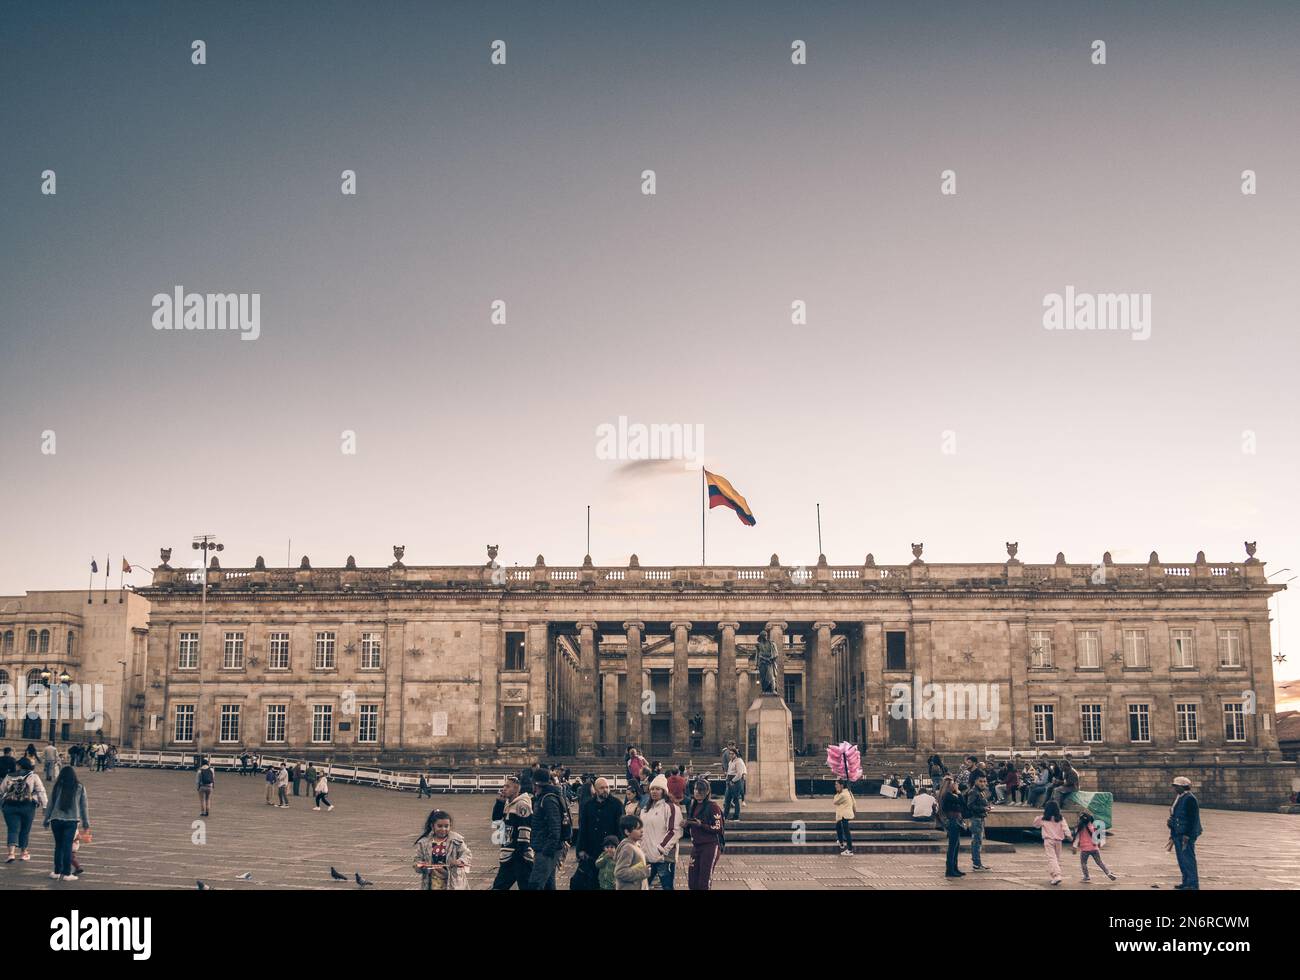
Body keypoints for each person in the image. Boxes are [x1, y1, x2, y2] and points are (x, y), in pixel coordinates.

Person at [43, 765, 89, 881]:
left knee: (58, 846)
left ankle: (57, 872)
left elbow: (50, 804)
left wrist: (46, 819)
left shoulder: (58, 786)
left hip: (56, 820)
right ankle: (67, 873)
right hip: (71, 820)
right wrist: (86, 823)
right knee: (67, 847)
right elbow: (84, 806)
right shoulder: (79, 787)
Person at [576, 777, 623, 888]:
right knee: (592, 882)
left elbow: (620, 829)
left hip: (610, 850)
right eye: (602, 788)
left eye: (607, 787)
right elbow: (583, 829)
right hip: (592, 850)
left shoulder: (616, 804)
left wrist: (619, 849)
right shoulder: (588, 805)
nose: (605, 790)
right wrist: (580, 849)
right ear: (596, 790)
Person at [489, 776, 533, 890]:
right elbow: (496, 820)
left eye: (507, 786)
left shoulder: (521, 805)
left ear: (516, 788)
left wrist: (519, 853)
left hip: (519, 855)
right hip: (508, 853)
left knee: (524, 885)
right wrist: (500, 802)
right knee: (500, 885)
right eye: (504, 786)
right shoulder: (508, 804)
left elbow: (525, 830)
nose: (504, 788)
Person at [640, 774, 682, 890]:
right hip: (647, 855)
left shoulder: (671, 807)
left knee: (667, 887)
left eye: (658, 789)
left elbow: (675, 831)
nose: (654, 791)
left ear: (664, 791)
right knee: (642, 886)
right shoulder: (645, 809)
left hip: (664, 857)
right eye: (652, 789)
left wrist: (660, 849)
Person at [2, 757, 47, 863]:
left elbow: (2, 789)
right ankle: (23, 853)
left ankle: (11, 854)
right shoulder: (33, 776)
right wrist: (45, 805)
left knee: (12, 829)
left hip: (10, 806)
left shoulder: (9, 776)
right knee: (25, 830)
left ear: (20, 765)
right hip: (28, 806)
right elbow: (41, 791)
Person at [413, 809, 471, 890]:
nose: (443, 829)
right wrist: (421, 865)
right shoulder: (424, 843)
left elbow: (466, 854)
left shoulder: (456, 840)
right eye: (439, 826)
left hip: (453, 880)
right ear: (432, 826)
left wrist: (460, 861)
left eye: (446, 826)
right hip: (432, 880)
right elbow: (417, 859)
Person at [527, 767, 565, 891]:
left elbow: (555, 827)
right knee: (549, 884)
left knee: (535, 884)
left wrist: (547, 850)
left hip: (547, 849)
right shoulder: (543, 797)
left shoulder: (548, 799)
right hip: (546, 847)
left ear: (536, 784)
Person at [684, 778, 724, 890]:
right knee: (692, 880)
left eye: (701, 790)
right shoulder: (693, 805)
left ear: (707, 792)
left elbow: (718, 828)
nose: (697, 792)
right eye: (696, 789)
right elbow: (692, 825)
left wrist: (701, 825)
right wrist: (687, 824)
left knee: (704, 881)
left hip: (710, 846)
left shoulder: (713, 807)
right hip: (696, 845)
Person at [1168, 776, 1201, 890]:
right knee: (1182, 859)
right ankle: (1186, 881)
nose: (1174, 789)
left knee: (1188, 859)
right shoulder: (1180, 797)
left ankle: (1192, 884)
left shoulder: (1189, 798)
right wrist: (1172, 834)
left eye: (1176, 786)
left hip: (1185, 834)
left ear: (1182, 787)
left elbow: (1193, 819)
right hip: (1178, 832)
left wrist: (1188, 834)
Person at [1033, 800, 1072, 885]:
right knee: (1056, 859)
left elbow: (1035, 825)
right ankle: (1054, 876)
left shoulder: (1043, 818)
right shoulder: (1061, 818)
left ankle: (1057, 875)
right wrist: (1069, 836)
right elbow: (1065, 828)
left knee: (1051, 858)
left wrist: (1039, 817)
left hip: (1048, 841)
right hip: (1059, 841)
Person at [1073, 812, 1117, 882]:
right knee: (1099, 862)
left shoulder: (1079, 828)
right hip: (1094, 848)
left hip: (1085, 849)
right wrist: (1098, 844)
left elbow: (1077, 838)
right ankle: (1108, 873)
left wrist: (1074, 846)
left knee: (1083, 863)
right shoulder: (1092, 827)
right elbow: (1096, 836)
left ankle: (1086, 877)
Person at [939, 775, 965, 878]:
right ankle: (950, 870)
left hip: (953, 821)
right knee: (953, 847)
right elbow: (962, 803)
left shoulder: (946, 795)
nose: (955, 785)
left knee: (956, 846)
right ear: (950, 785)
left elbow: (961, 806)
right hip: (953, 822)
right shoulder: (948, 795)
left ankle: (954, 868)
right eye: (953, 783)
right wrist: (958, 792)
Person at [614, 814, 649, 890]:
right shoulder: (627, 848)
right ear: (627, 832)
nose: (642, 831)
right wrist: (643, 872)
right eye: (637, 828)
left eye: (641, 828)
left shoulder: (635, 845)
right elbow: (620, 872)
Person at [965, 773, 992, 870]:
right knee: (976, 841)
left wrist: (985, 807)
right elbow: (970, 805)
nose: (983, 783)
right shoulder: (974, 792)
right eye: (980, 781)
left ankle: (978, 862)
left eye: (984, 781)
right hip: (975, 818)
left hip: (980, 818)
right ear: (976, 781)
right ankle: (976, 863)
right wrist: (984, 808)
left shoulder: (981, 791)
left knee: (978, 841)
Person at [831, 777, 856, 856]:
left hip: (844, 815)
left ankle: (850, 849)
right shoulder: (848, 792)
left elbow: (835, 801)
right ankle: (841, 842)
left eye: (836, 784)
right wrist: (854, 811)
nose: (835, 786)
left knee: (846, 831)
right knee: (838, 826)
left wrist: (837, 793)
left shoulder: (842, 795)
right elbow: (854, 803)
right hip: (846, 814)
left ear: (841, 786)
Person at [724, 749, 747, 821]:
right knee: (727, 799)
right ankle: (725, 816)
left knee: (735, 799)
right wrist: (727, 779)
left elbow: (739, 774)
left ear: (736, 754)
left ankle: (736, 816)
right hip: (730, 780)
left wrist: (733, 781)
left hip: (735, 781)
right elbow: (729, 771)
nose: (730, 755)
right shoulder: (730, 762)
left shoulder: (739, 761)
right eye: (730, 754)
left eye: (732, 754)